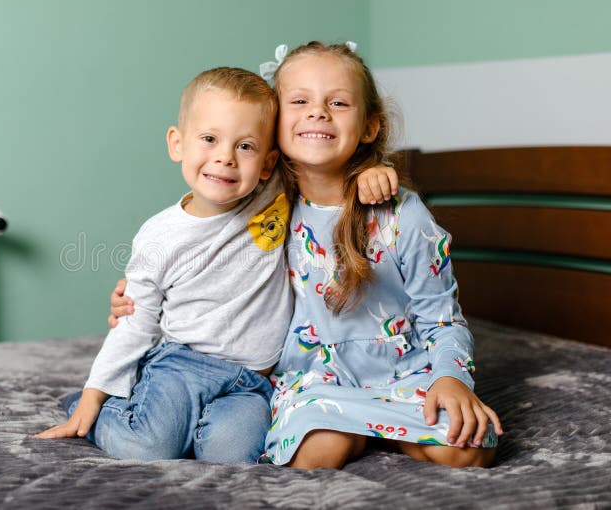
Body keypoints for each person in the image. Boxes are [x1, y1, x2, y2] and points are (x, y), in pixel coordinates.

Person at [109, 41, 503, 469]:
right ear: (275, 127)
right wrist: (142, 295)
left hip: (404, 372)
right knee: (316, 455)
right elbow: (195, 250)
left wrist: (450, 378)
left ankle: (382, 427)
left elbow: (441, 315)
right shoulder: (262, 205)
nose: (318, 112)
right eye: (299, 101)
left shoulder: (402, 214)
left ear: (370, 127)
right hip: (314, 378)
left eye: (338, 102)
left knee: (468, 450)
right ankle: (363, 429)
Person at [36, 66, 397, 464]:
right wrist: (93, 394)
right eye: (209, 139)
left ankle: (185, 424)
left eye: (245, 146)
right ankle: (108, 410)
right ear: (177, 143)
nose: (224, 157)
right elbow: (134, 323)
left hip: (252, 381)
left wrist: (372, 169)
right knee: (147, 448)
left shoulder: (272, 192)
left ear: (267, 162)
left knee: (234, 455)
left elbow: (319, 154)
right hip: (181, 365)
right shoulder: (159, 236)